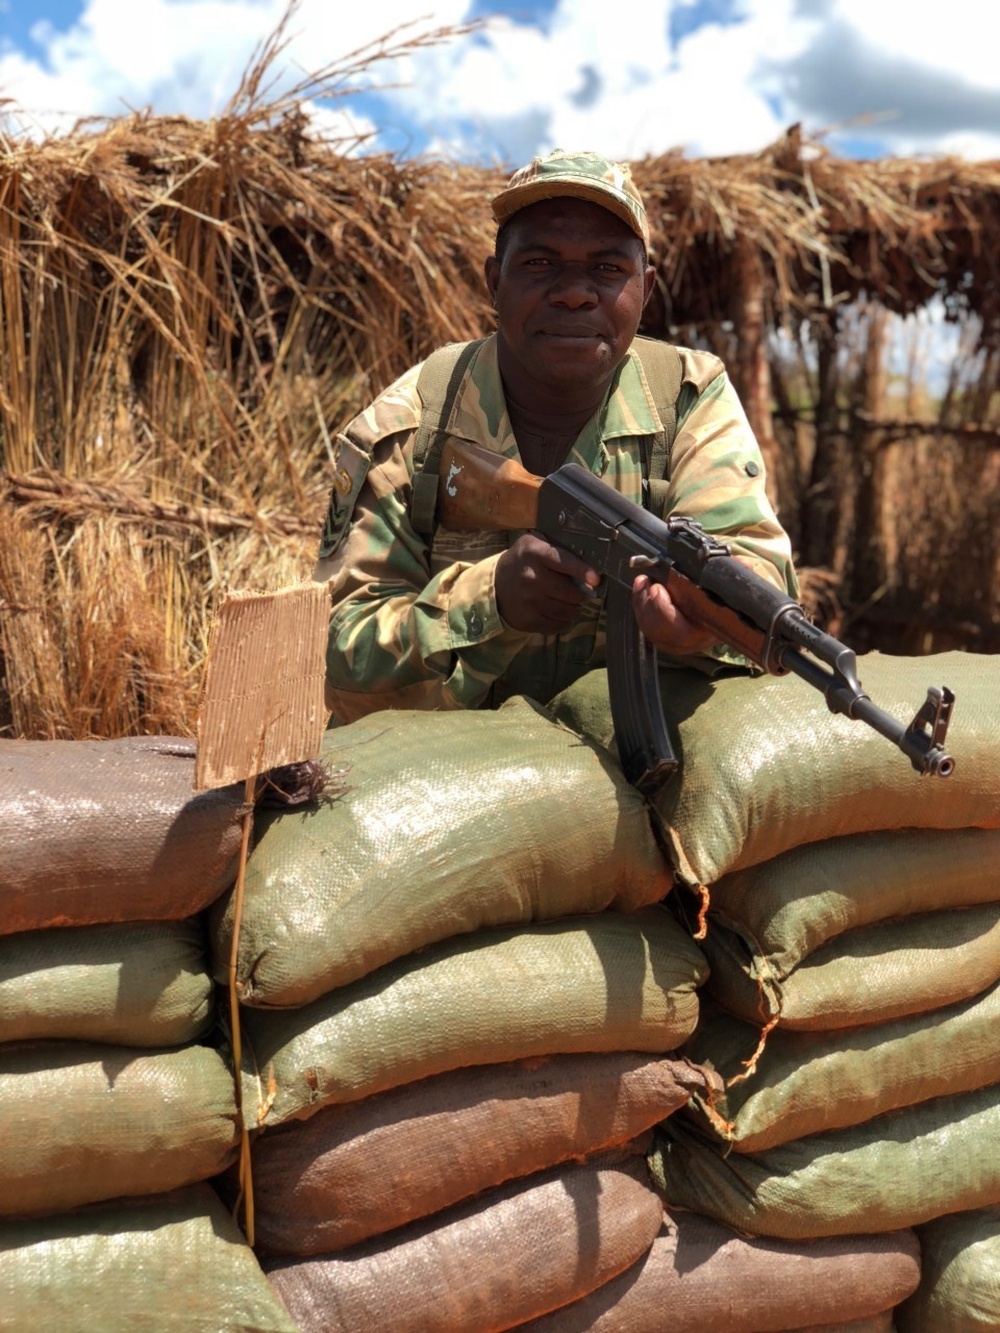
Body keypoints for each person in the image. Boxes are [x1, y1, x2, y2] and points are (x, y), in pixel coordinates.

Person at [314, 150, 798, 723]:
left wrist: (703, 625)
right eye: (541, 264)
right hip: (443, 772)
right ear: (495, 282)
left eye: (608, 269)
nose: (574, 293)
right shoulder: (414, 423)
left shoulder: (687, 400)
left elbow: (754, 569)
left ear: (645, 290)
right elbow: (330, 647)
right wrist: (490, 601)